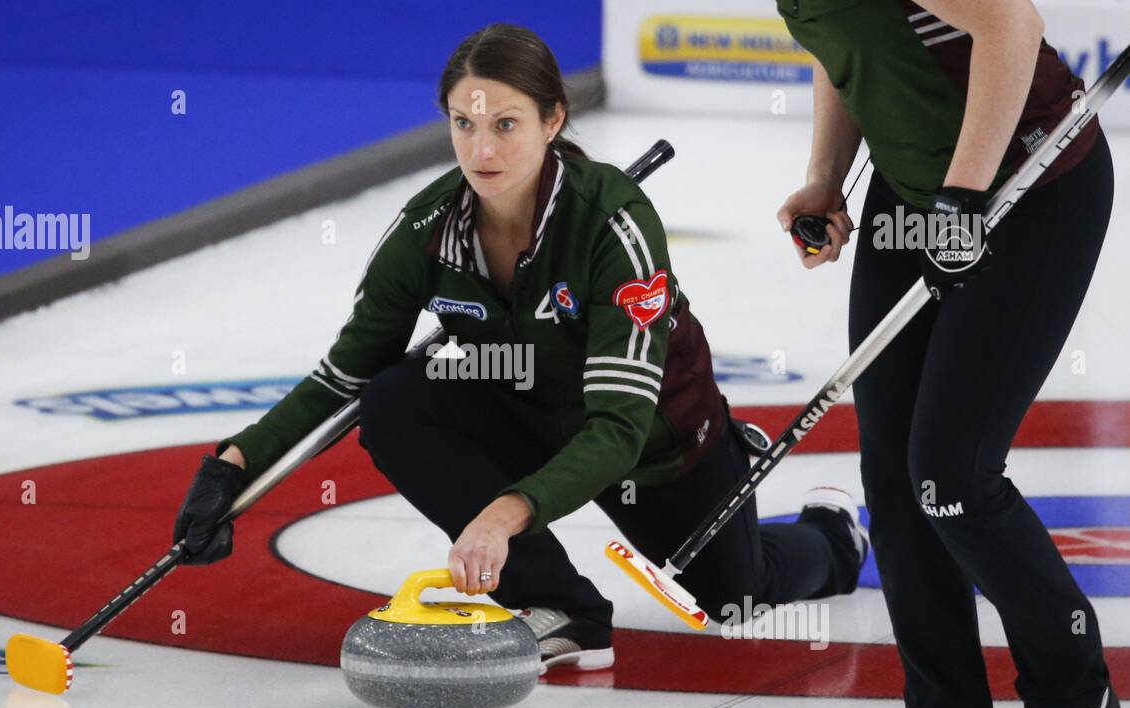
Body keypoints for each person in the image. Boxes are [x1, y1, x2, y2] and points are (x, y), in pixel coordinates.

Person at [173, 23, 867, 672]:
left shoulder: (614, 223)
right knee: (394, 400)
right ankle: (564, 607)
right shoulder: (425, 229)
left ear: (553, 119)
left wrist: (501, 517)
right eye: (464, 125)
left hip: (652, 446)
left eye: (506, 125)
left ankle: (831, 534)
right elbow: (343, 379)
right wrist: (232, 464)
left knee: (735, 595)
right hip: (529, 420)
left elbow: (619, 427)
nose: (482, 151)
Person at [775, 0, 1118, 708]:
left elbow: (1011, 26)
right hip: (914, 196)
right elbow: (849, 48)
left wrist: (961, 198)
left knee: (950, 475)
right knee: (894, 479)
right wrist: (826, 175)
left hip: (1034, 187)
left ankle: (1070, 689)